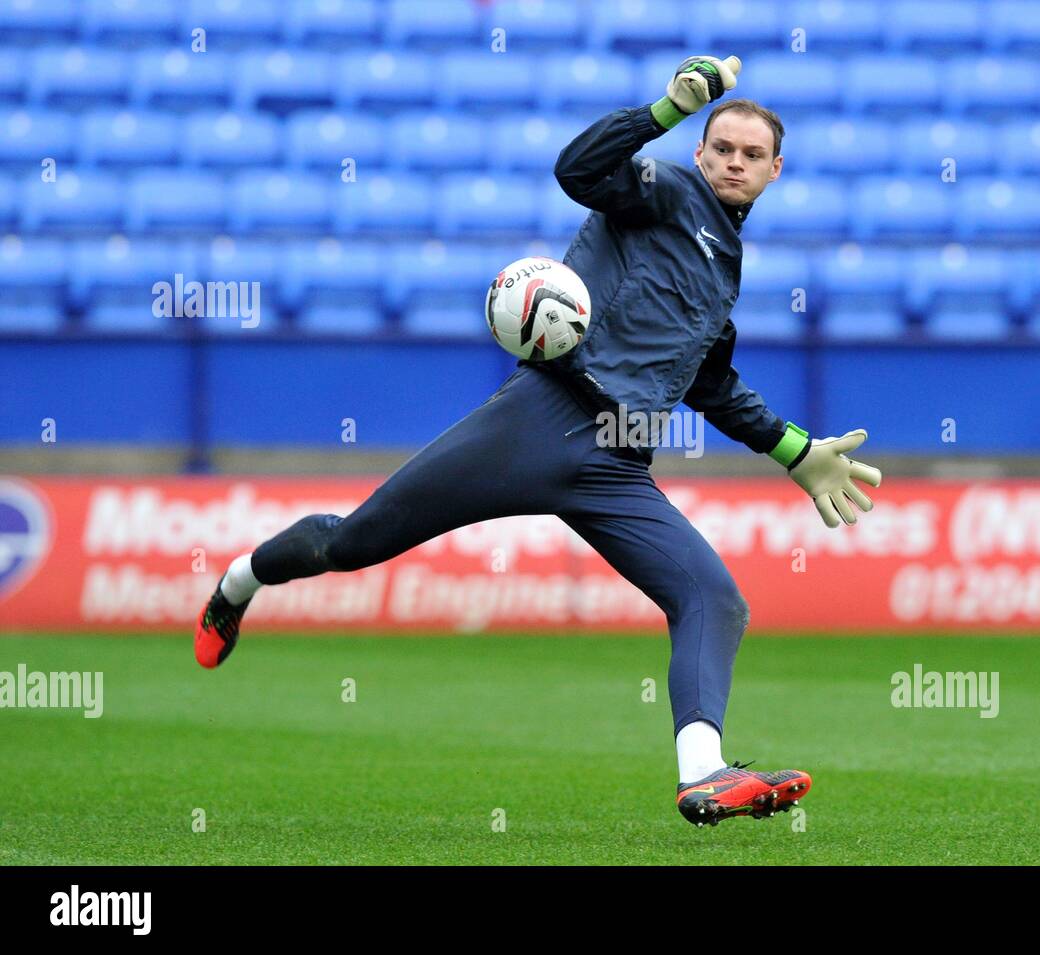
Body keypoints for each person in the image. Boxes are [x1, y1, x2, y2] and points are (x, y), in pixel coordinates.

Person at [192, 55, 883, 827]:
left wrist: (795, 449)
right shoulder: (659, 189)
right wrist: (665, 107)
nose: (734, 161)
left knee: (714, 598)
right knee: (353, 542)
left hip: (616, 463)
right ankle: (237, 585)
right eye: (722, 146)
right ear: (699, 152)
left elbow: (710, 381)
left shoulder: (725, 267)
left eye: (752, 154)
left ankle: (703, 774)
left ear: (775, 170)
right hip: (540, 417)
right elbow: (579, 169)